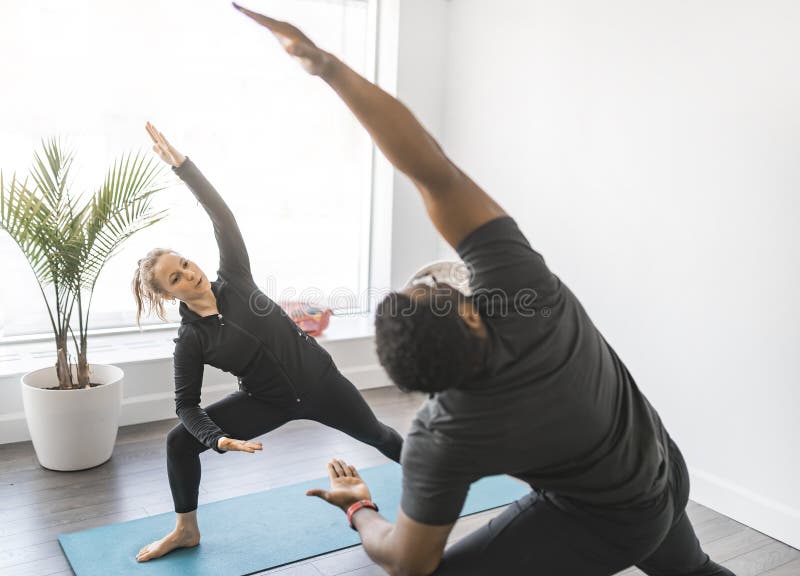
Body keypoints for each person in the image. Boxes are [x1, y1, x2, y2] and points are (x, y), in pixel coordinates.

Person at [233, 5, 736, 576]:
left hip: (617, 506)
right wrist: (329, 69)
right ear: (472, 317)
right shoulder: (524, 291)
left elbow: (407, 561)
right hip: (659, 469)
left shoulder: (442, 436)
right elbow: (433, 171)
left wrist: (360, 509)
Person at [131, 122, 403, 562]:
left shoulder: (235, 278)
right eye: (175, 277)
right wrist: (217, 439)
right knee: (178, 441)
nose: (189, 272)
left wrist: (183, 167)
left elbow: (222, 216)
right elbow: (186, 405)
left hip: (320, 382)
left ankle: (435, 478)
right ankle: (185, 530)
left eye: (184, 262)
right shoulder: (190, 340)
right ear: (168, 294)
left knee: (378, 434)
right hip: (268, 401)